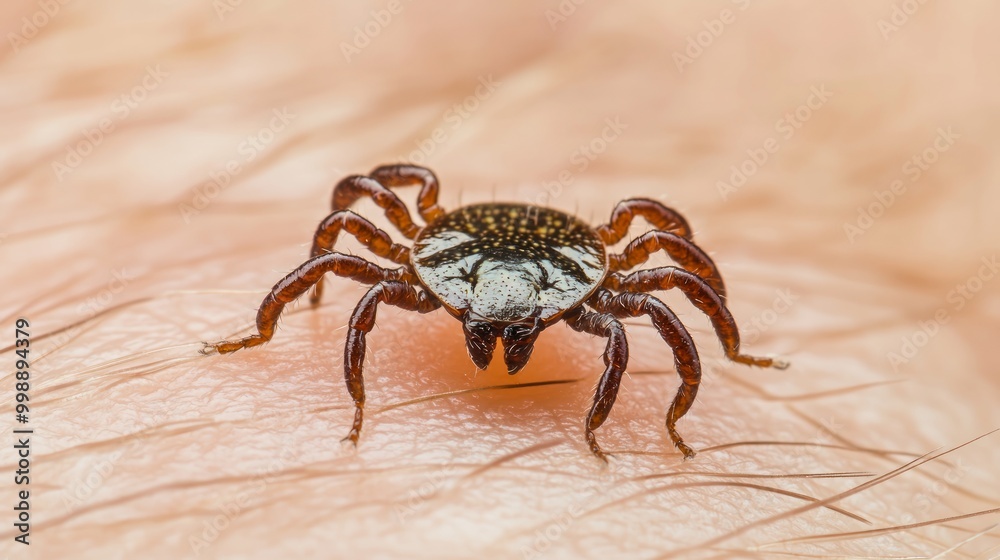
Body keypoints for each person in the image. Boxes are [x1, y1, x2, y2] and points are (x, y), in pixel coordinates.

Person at [5, 1, 998, 558]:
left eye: (519, 317)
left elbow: (681, 267)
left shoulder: (611, 284)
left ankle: (667, 406)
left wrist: (714, 355)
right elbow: (346, 215)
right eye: (487, 312)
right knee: (343, 260)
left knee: (652, 312)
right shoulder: (405, 255)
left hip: (550, 252)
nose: (499, 325)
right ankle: (279, 334)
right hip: (475, 243)